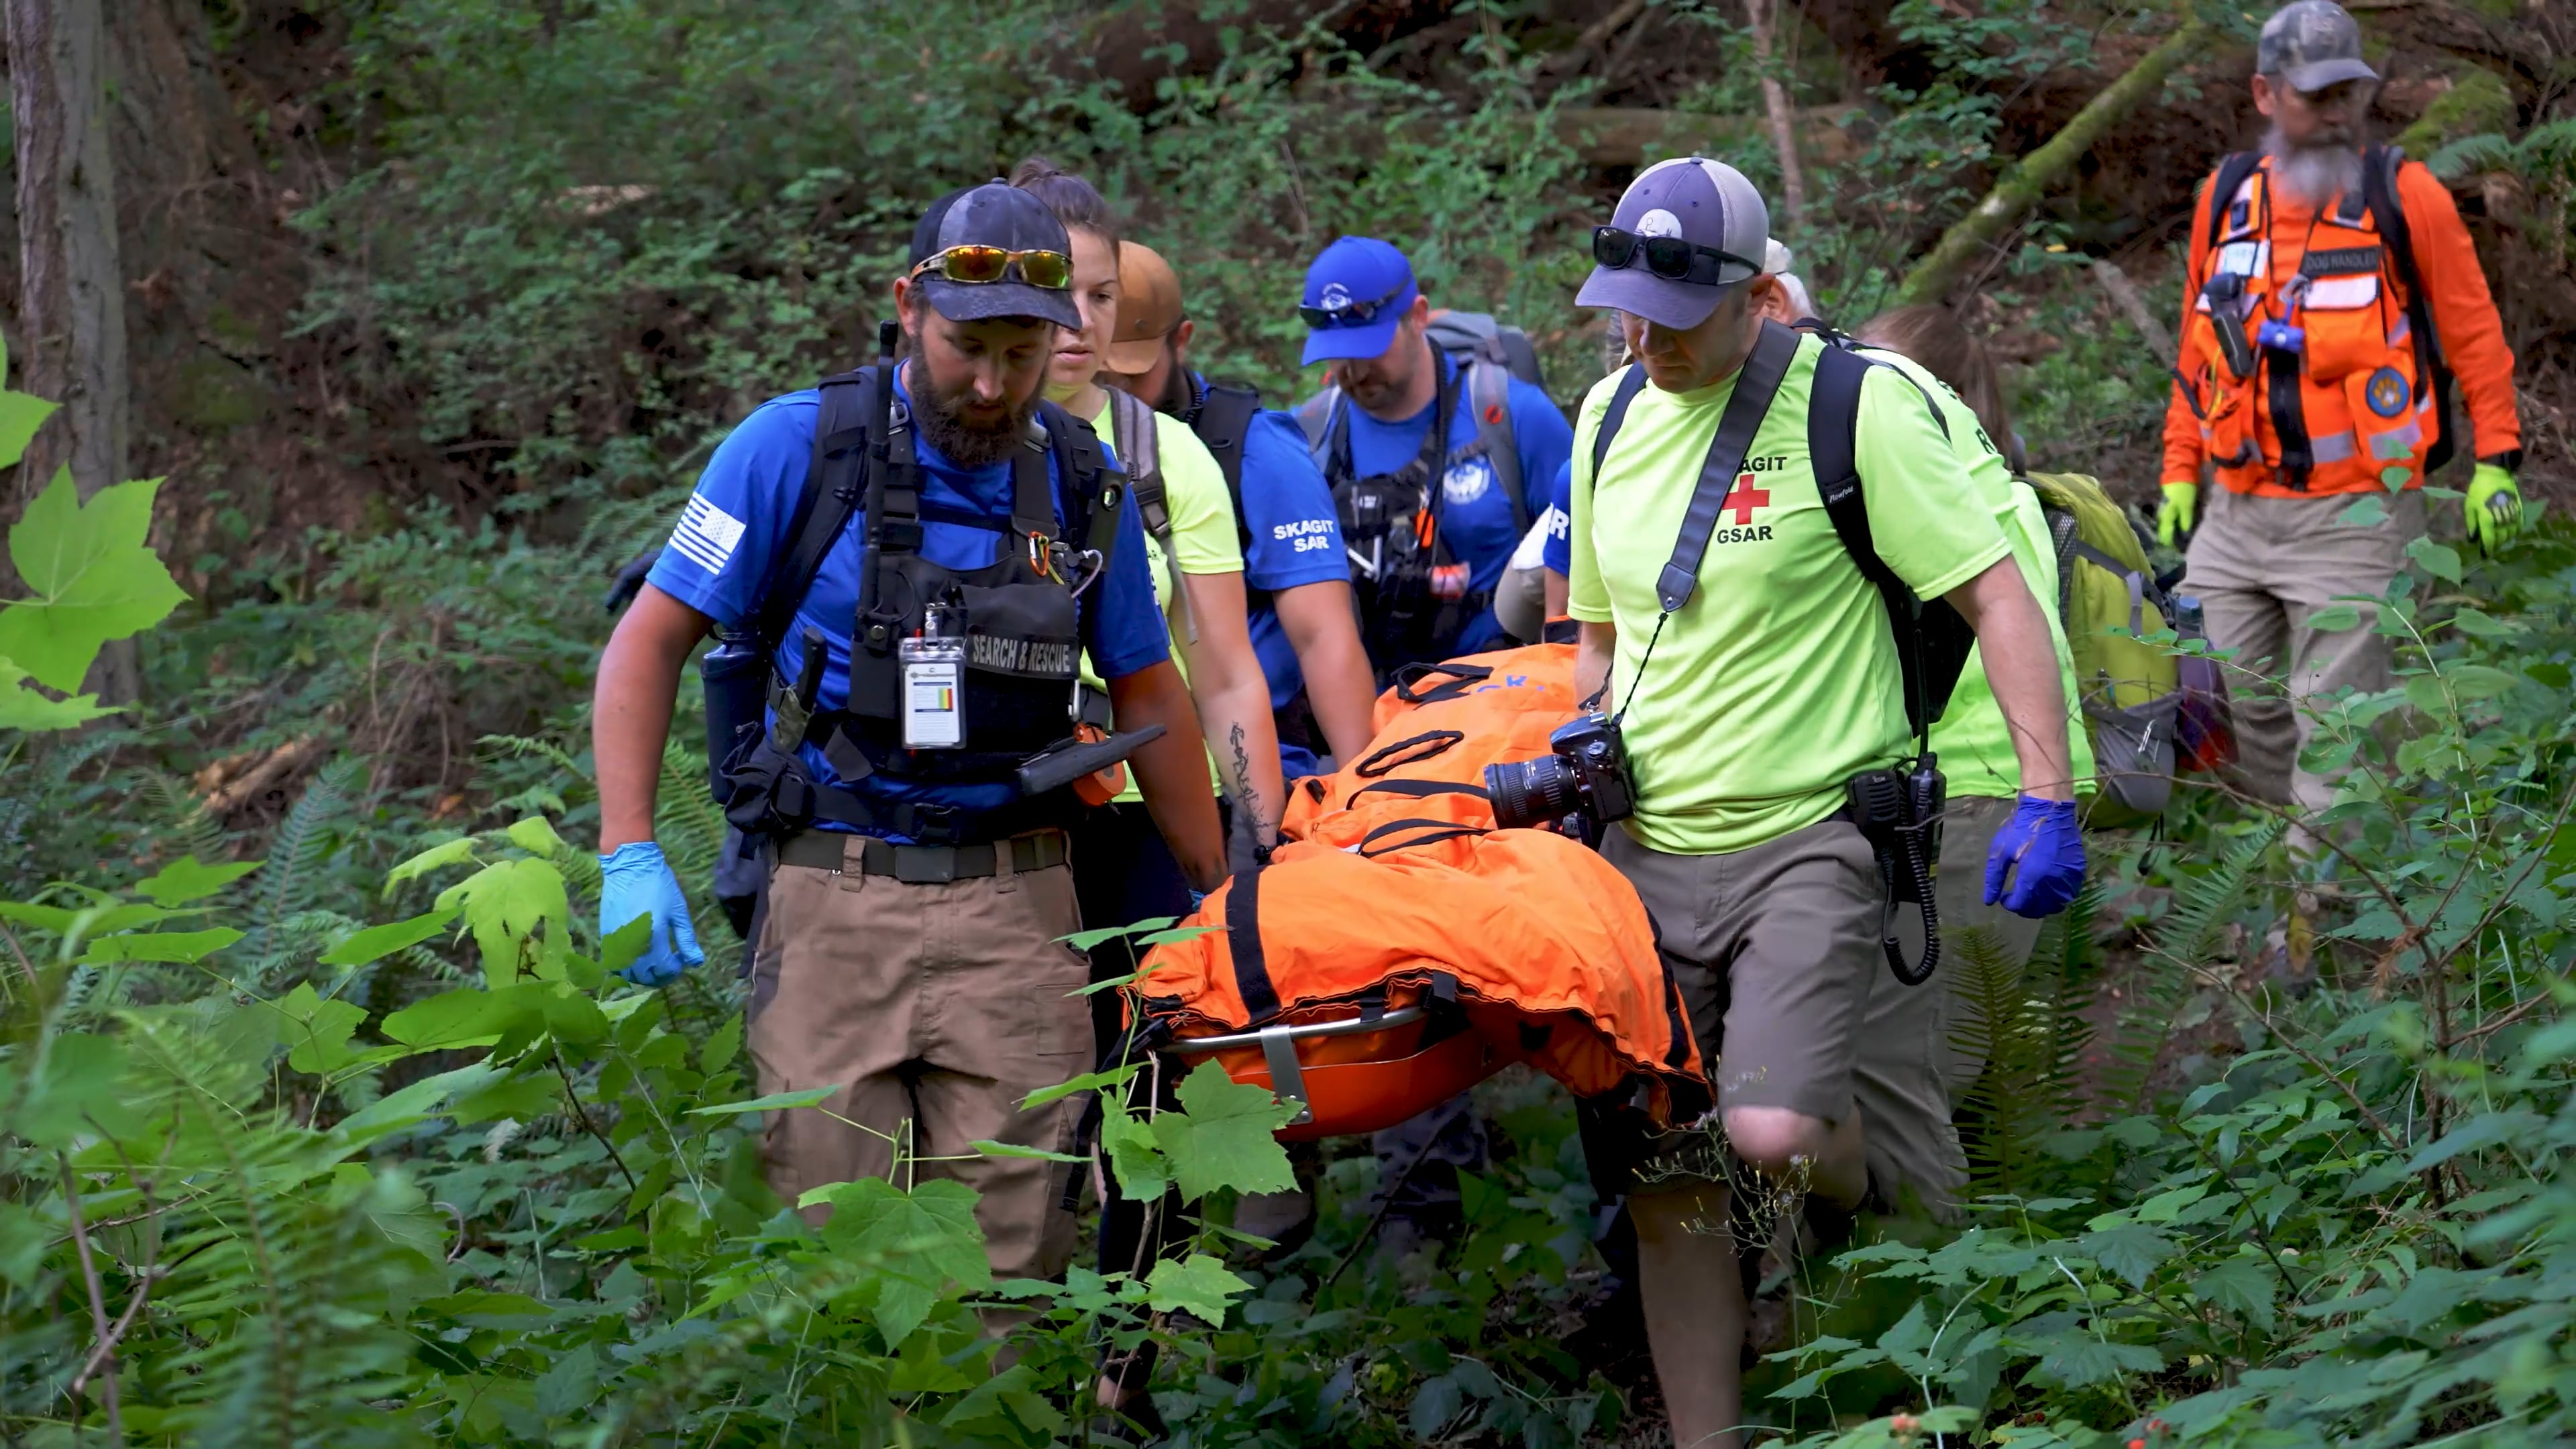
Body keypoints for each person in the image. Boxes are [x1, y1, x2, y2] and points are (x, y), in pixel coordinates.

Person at [590, 180, 1224, 1295]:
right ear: (907, 307)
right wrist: (628, 850)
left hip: (1023, 907)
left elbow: (1147, 691)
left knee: (1012, 1266)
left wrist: (1214, 900)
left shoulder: (1082, 482)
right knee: (833, 1256)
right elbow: (649, 642)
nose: (989, 386)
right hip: (833, 897)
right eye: (964, 348)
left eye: (1022, 356)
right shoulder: (798, 447)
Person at [1564, 158, 2085, 1448]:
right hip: (1649, 849)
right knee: (1671, 1175)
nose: (1647, 340)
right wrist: (1584, 752)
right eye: (1628, 313)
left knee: (1772, 1123)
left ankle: (1851, 1183)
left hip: (1816, 838)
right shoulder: (1606, 419)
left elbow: (1997, 595)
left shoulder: (1857, 408)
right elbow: (1597, 631)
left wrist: (2046, 792)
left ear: (1756, 296)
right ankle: (1709, 1436)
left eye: (1676, 319)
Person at [2159, 0, 2523, 818]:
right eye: (2312, 94)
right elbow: (2197, 350)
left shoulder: (2405, 195)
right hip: (2237, 511)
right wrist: (2180, 468)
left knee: (2340, 732)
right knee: (2243, 709)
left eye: (2346, 94)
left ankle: (2327, 928)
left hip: (2358, 516)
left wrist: (2496, 462)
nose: (2332, 113)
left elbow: (2474, 333)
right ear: (2264, 94)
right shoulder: (2225, 200)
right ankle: (2294, 888)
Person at [1845, 303, 2097, 1214]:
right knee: (1948, 1073)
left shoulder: (1934, 496)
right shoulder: (1997, 487)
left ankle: (1930, 1306)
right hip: (1992, 798)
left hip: (1975, 805)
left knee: (1908, 1084)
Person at [1004, 160, 1285, 943]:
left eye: (1101, 297)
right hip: (993, 810)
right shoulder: (954, 443)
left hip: (1144, 808)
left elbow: (1225, 671)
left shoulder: (1163, 455)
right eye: (1059, 293)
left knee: (1148, 1049)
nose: (1080, 320)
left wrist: (1262, 841)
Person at [1099, 240, 1379, 778]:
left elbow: (1323, 635)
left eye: (1133, 377)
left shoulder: (1254, 450)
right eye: (1101, 377)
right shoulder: (1056, 441)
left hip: (1250, 766)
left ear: (1180, 341)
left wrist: (1363, 799)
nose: (1116, 395)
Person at [1293, 237, 1575, 674]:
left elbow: (1583, 567)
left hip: (1501, 701)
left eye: (1370, 348)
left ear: (1418, 317)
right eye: (1338, 355)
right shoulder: (1310, 438)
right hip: (1369, 707)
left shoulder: (1513, 418)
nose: (1354, 371)